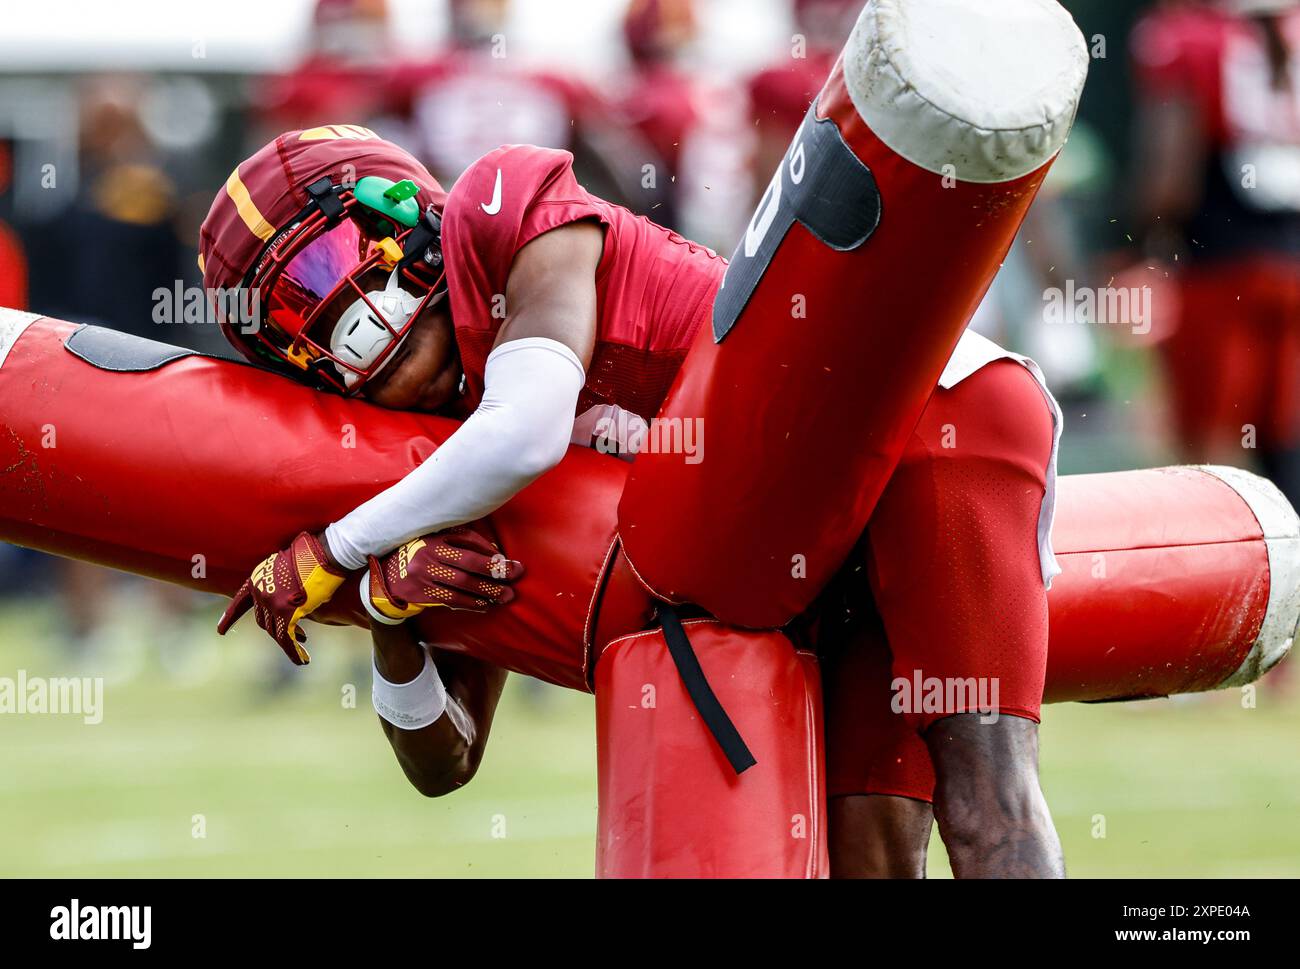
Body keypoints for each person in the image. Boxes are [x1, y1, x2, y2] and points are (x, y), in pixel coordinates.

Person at [202, 125, 1063, 877]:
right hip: (825, 551)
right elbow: (444, 761)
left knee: (988, 804)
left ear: (397, 209)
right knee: (865, 852)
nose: (334, 312)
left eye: (327, 262)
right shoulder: (444, 467)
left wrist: (338, 549)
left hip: (923, 417)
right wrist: (386, 610)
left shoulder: (498, 213)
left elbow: (530, 428)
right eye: (293, 310)